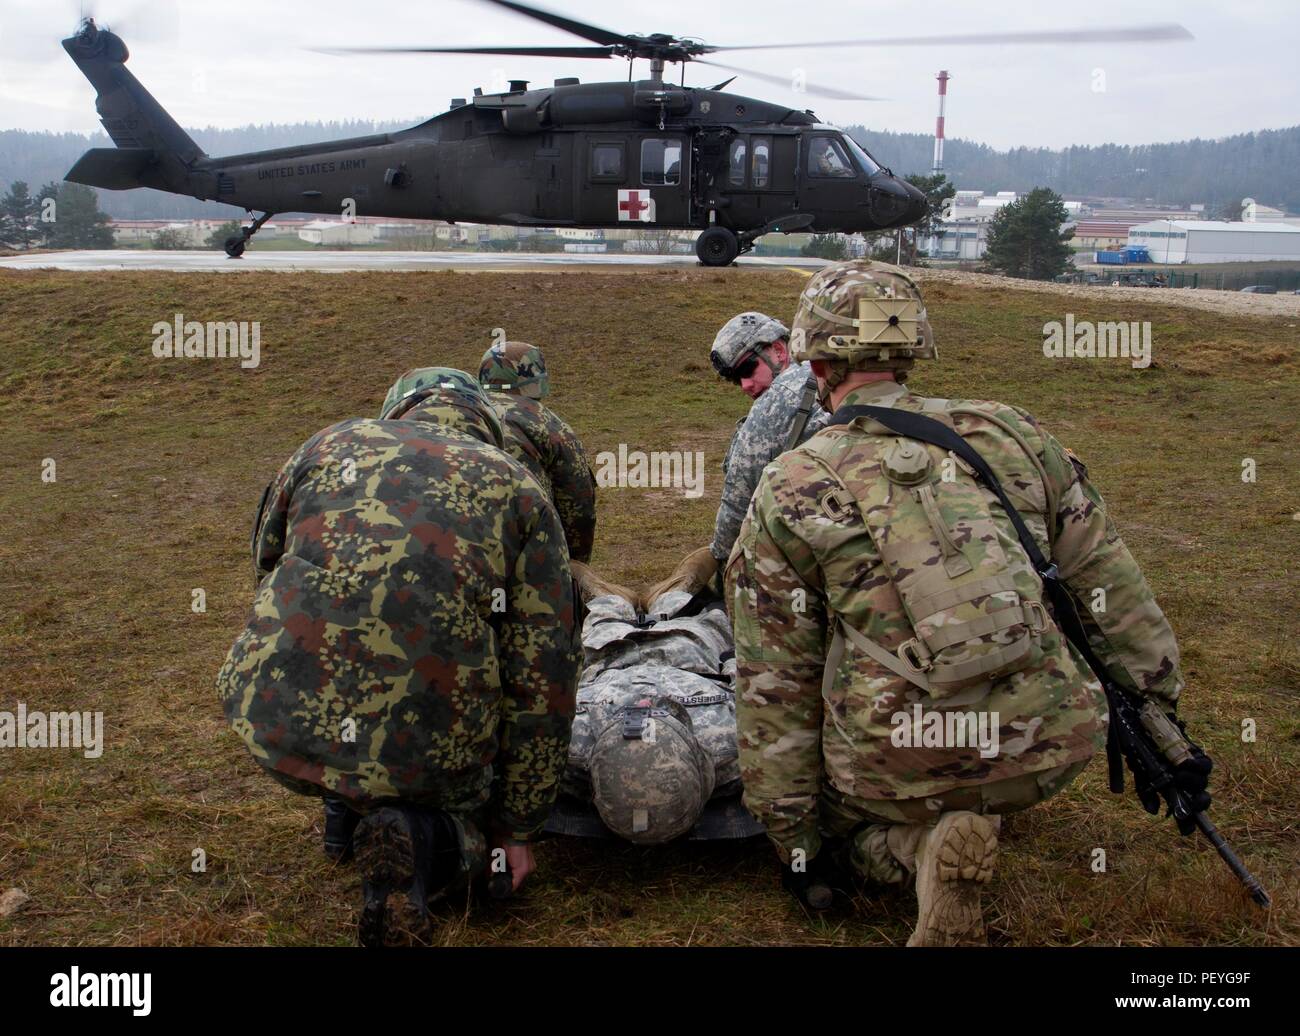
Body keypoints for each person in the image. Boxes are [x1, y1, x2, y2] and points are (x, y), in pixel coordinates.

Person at [726, 260, 1205, 945]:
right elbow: (1110, 588)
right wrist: (1163, 725)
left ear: (816, 360)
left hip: (897, 760)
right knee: (988, 755)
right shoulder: (1013, 434)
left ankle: (912, 853)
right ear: (913, 346)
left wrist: (795, 836)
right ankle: (982, 798)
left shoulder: (792, 482)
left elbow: (776, 679)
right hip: (1049, 744)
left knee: (842, 821)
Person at [216, 367, 581, 946]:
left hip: (276, 721)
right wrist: (516, 828)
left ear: (398, 409)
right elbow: (544, 675)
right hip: (433, 744)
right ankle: (424, 834)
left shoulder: (327, 443)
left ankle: (344, 804)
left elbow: (265, 563)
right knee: (470, 831)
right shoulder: (519, 489)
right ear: (483, 424)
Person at [551, 550, 760, 844]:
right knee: (679, 607)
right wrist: (729, 656)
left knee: (605, 612)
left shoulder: (567, 748)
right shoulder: (732, 745)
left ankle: (601, 594)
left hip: (609, 655)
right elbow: (750, 681)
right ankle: (680, 584)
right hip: (686, 652)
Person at [708, 312, 828, 567]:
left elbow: (737, 500)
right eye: (735, 378)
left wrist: (721, 559)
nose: (745, 385)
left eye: (747, 369)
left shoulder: (774, 403)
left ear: (778, 350)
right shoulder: (831, 377)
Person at [479, 340, 597, 563]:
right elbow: (577, 504)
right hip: (525, 548)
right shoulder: (548, 424)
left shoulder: (463, 411)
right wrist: (575, 567)